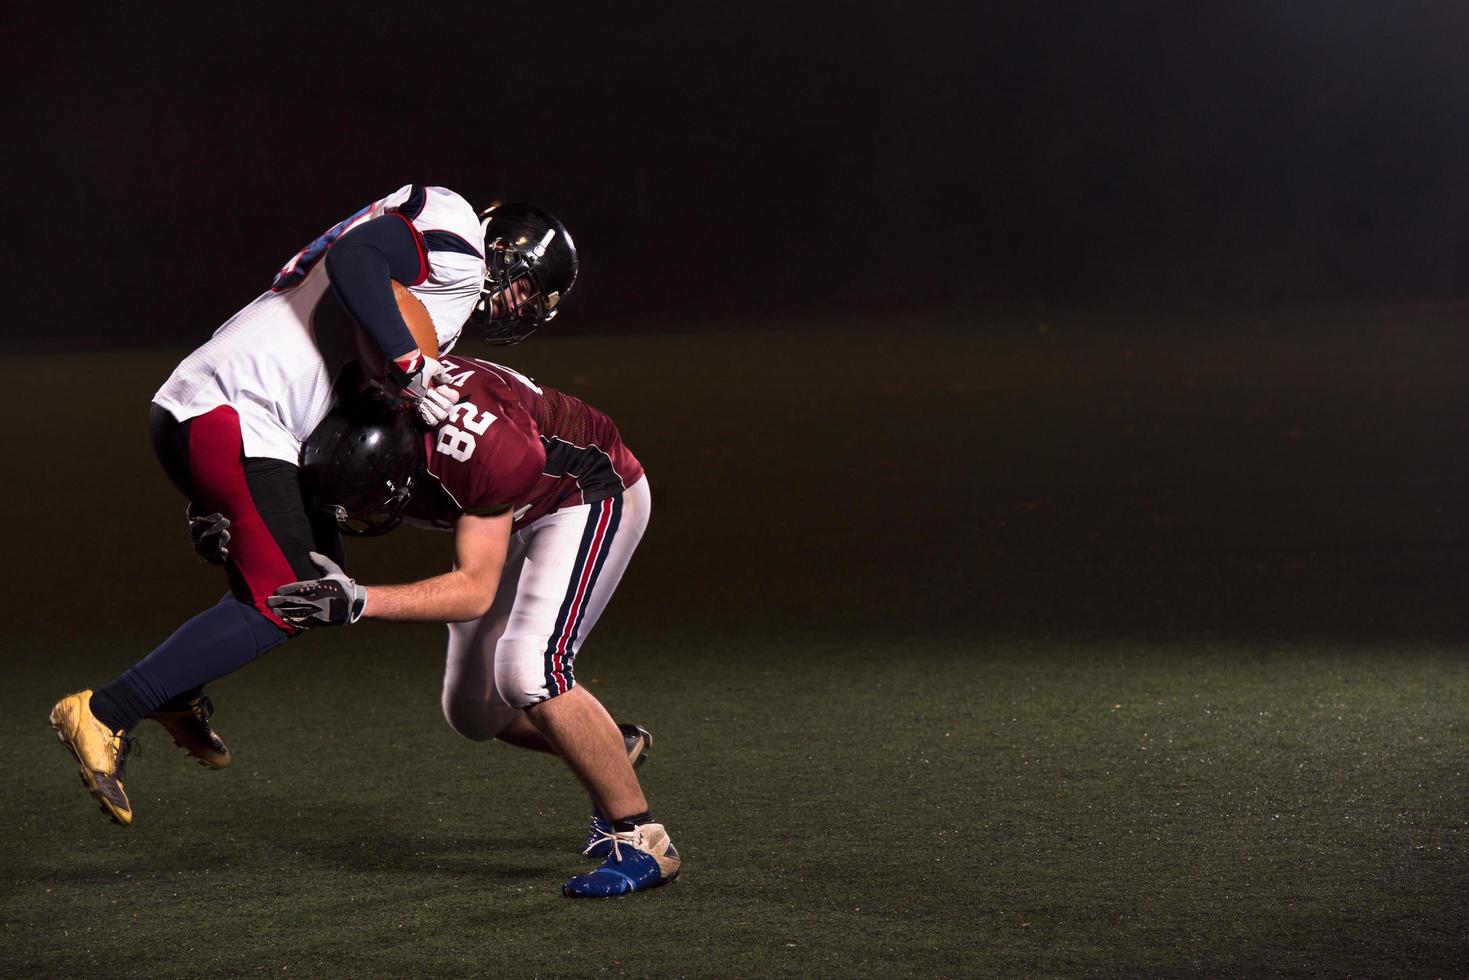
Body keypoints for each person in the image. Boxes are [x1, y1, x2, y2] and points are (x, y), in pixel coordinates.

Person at [48, 186, 579, 829]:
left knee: (315, 581)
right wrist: (411, 366)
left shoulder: (447, 275)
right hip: (237, 411)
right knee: (283, 599)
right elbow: (359, 255)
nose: (517, 307)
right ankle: (107, 710)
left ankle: (178, 688)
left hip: (247, 414)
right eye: (526, 288)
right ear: (505, 251)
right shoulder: (457, 236)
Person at [266, 355, 679, 898]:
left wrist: (360, 601)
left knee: (530, 669)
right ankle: (608, 747)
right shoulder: (332, 412)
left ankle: (642, 838)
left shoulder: (480, 450)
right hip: (498, 501)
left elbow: (473, 589)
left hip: (581, 494)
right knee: (475, 713)